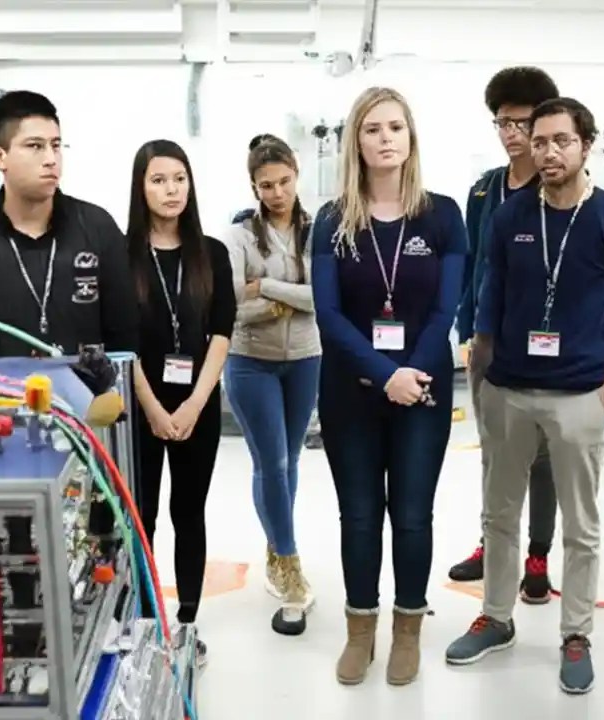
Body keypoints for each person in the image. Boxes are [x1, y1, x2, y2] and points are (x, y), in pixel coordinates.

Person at [444, 97, 604, 695]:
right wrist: (480, 373)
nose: (547, 152)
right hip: (509, 390)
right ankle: (497, 618)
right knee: (498, 516)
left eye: (561, 141)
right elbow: (489, 294)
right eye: (539, 140)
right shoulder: (509, 216)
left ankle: (575, 633)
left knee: (582, 525)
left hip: (581, 394)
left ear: (586, 145)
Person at [312, 86, 465, 687]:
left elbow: (445, 310)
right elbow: (329, 317)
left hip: (422, 392)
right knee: (357, 517)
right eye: (372, 129)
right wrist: (385, 376)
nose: (385, 139)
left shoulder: (443, 214)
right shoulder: (332, 220)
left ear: (410, 138)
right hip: (351, 390)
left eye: (395, 128)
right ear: (356, 140)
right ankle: (360, 629)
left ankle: (407, 630)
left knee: (411, 516)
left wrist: (410, 376)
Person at [450, 66, 562, 606]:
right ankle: (493, 543)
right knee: (494, 451)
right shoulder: (483, 189)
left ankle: (537, 556)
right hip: (487, 342)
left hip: (544, 345)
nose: (511, 133)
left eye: (521, 122)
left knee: (541, 457)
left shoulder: (560, 189)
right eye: (502, 122)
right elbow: (471, 264)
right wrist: (466, 328)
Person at [128, 139, 235, 666]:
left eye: (179, 179)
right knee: (141, 516)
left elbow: (221, 333)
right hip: (142, 406)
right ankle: (146, 621)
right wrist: (152, 408)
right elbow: (120, 343)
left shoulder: (210, 253)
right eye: (158, 180)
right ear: (140, 187)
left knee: (188, 512)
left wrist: (195, 403)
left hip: (199, 406)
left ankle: (188, 624)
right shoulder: (122, 255)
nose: (171, 191)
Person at [0, 90, 137, 357]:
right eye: (35, 146)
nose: (51, 159)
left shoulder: (97, 227)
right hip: (5, 395)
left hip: (88, 396)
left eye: (55, 145)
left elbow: (124, 336)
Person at [222, 133, 320, 637]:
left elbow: (323, 296)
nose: (277, 192)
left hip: (305, 359)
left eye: (283, 182)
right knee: (273, 462)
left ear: (296, 175)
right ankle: (288, 558)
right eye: (266, 186)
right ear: (254, 187)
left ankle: (273, 544)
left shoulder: (318, 226)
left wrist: (270, 290)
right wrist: (282, 302)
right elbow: (233, 304)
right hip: (250, 362)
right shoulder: (238, 235)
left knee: (293, 459)